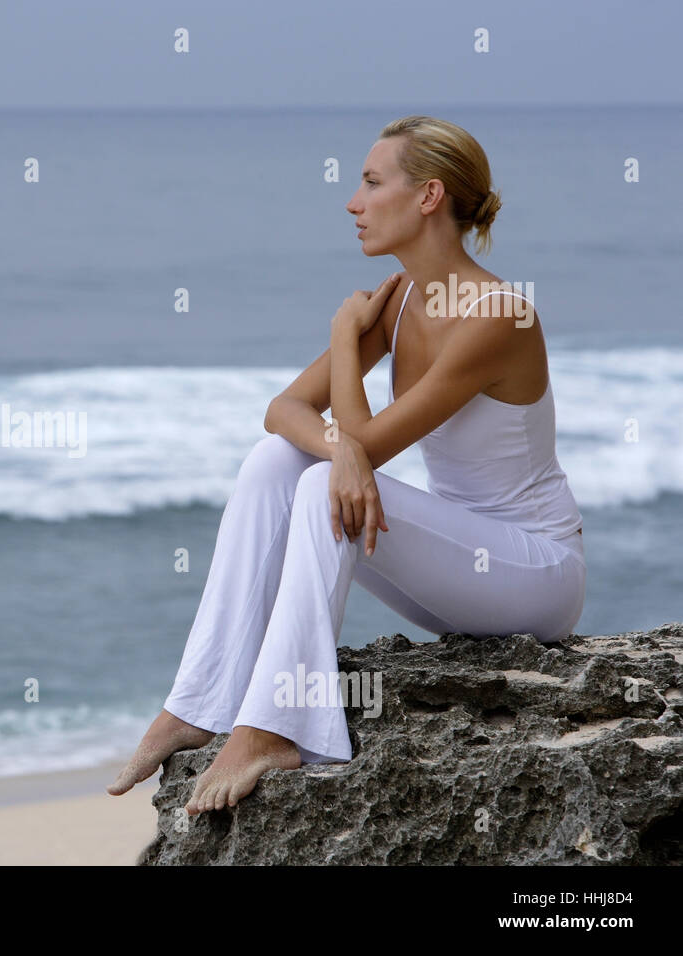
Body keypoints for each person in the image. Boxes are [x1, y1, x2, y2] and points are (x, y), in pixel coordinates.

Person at [107, 115, 586, 816]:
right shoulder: (397, 301)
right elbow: (283, 411)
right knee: (279, 460)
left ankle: (276, 727)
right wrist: (340, 451)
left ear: (428, 196)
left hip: (533, 576)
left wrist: (341, 340)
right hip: (459, 568)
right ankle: (200, 700)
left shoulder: (498, 317)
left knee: (316, 486)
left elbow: (363, 440)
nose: (351, 202)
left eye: (369, 182)